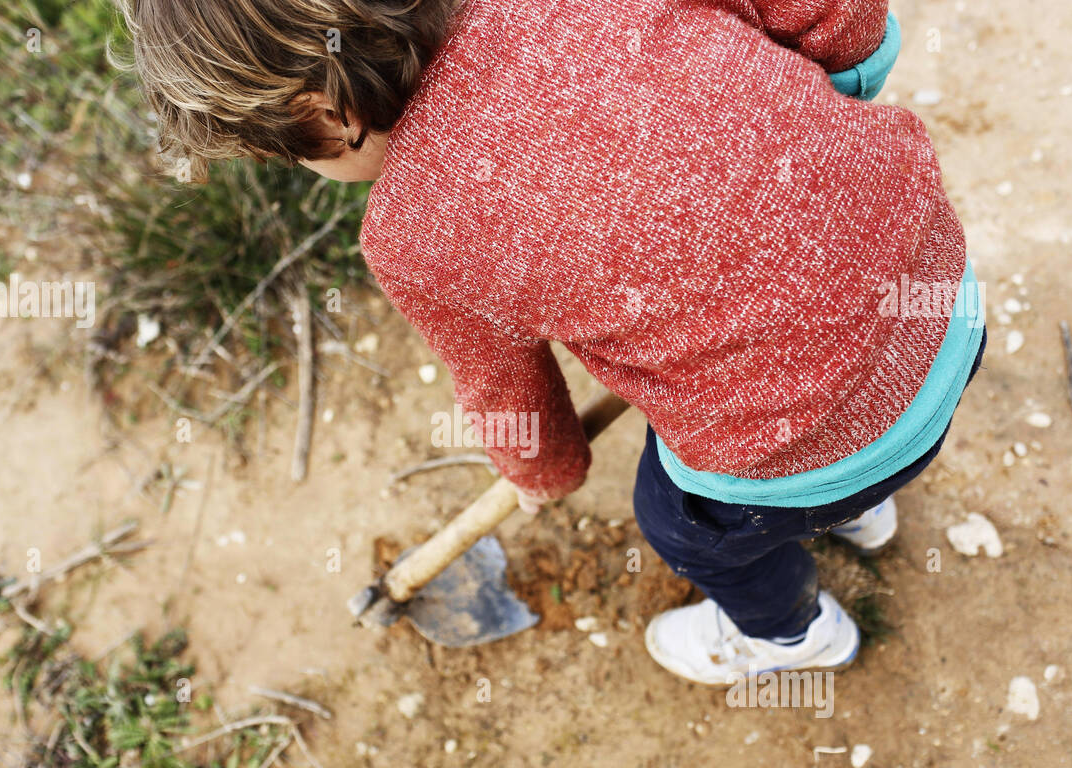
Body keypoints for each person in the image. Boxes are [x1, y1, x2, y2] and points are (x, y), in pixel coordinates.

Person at [117, 0, 987, 685]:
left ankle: (793, 633)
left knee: (682, 525)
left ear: (320, 113)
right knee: (812, 371)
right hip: (943, 293)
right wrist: (849, 69)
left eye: (283, 156)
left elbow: (513, 401)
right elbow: (832, 13)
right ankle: (860, 504)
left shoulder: (413, 233)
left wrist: (543, 473)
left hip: (809, 444)